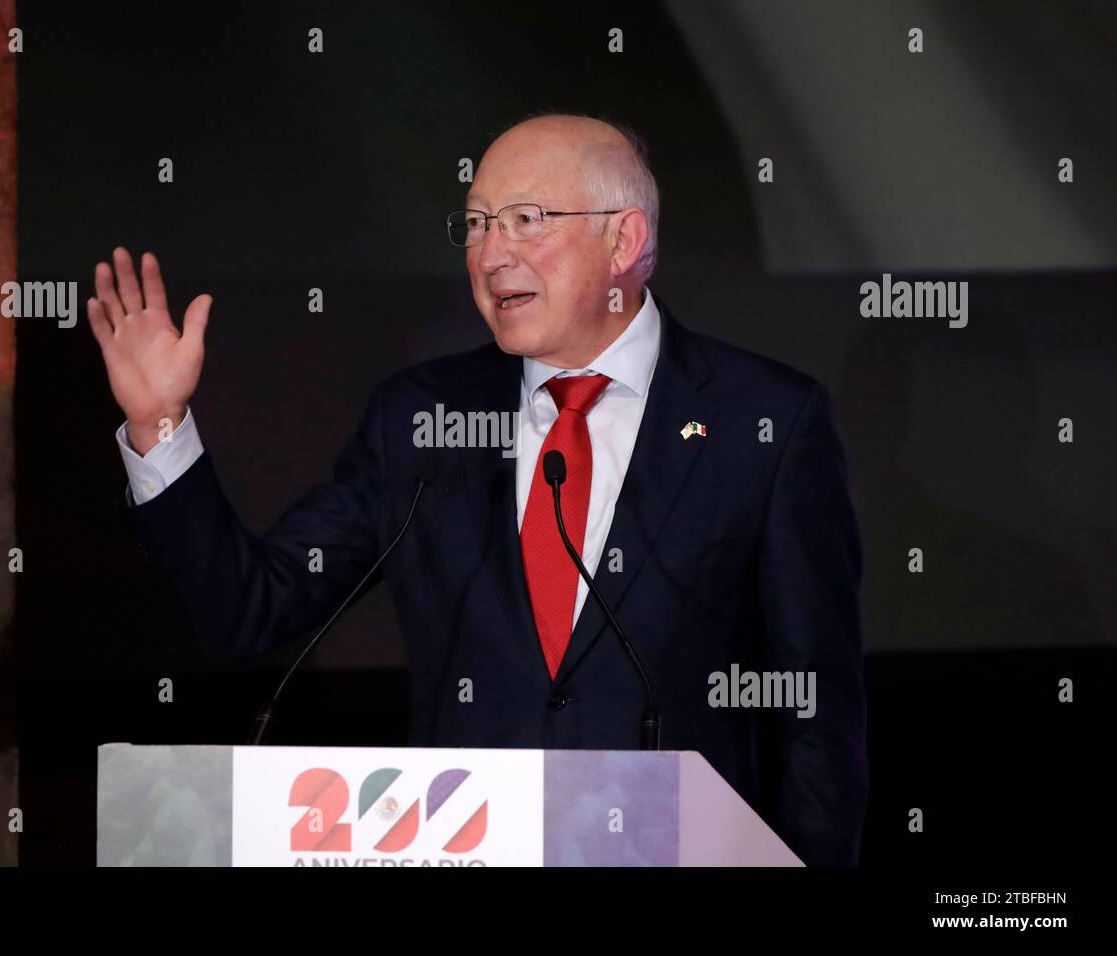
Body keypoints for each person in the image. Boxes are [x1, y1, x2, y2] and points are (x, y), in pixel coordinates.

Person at [86, 113, 867, 866]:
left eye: (526, 219)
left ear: (624, 239)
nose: (492, 254)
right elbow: (249, 609)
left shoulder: (764, 419)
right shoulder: (420, 418)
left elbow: (817, 710)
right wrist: (161, 424)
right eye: (477, 225)